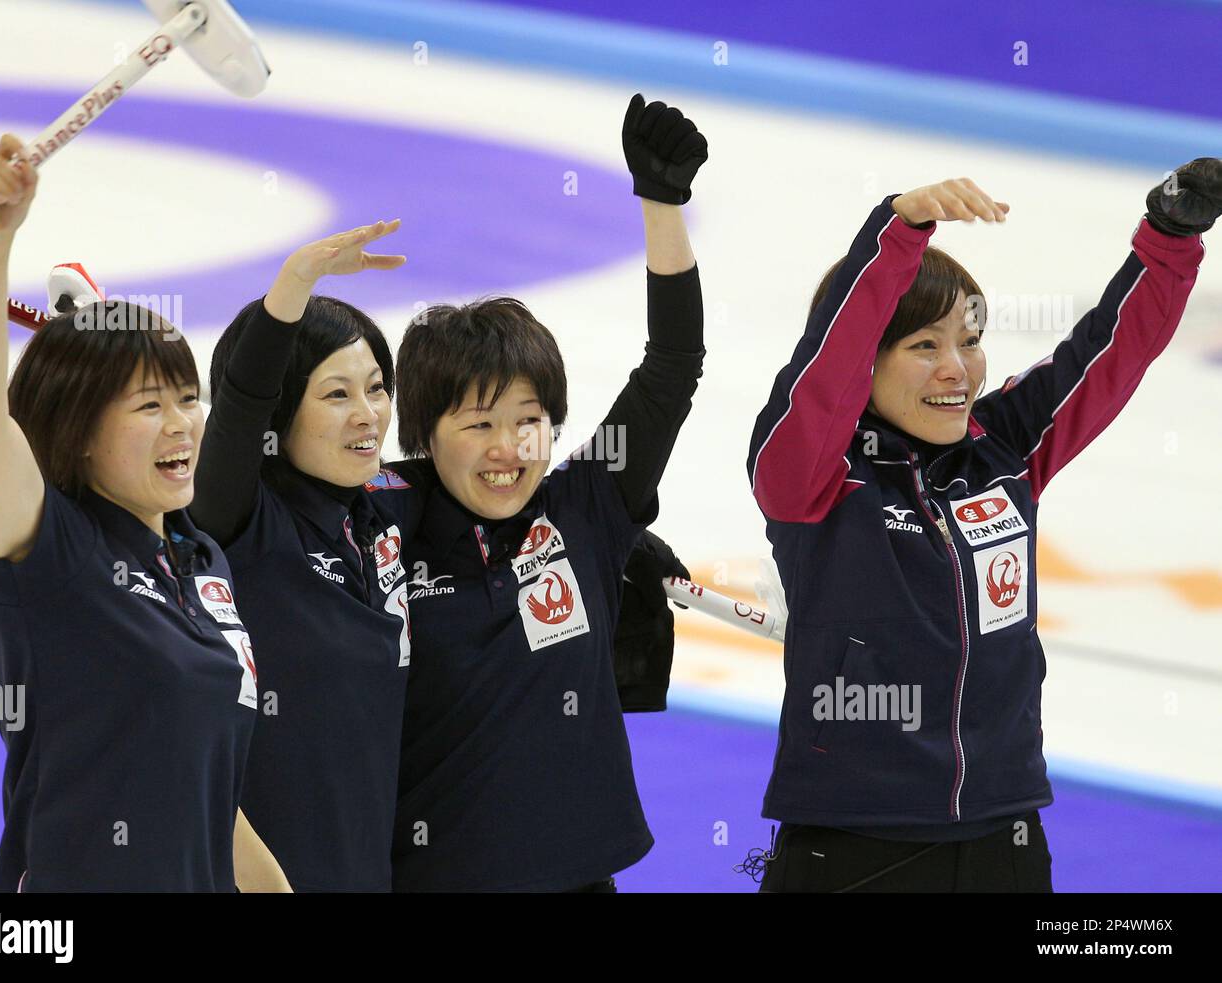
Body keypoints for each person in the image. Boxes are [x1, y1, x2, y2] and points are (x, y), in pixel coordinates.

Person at [745, 161, 1219, 892]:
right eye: (924, 346)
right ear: (865, 363)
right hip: (855, 846)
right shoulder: (811, 475)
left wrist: (1168, 239)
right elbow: (822, 368)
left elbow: (1110, 352)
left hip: (1008, 834)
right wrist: (897, 232)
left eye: (969, 341)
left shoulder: (1004, 446)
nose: (957, 370)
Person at [388, 94, 707, 892]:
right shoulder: (375, 527)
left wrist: (661, 204)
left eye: (529, 421)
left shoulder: (585, 509)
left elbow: (672, 365)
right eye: (479, 424)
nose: (509, 449)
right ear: (425, 432)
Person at [0, 135, 287, 891]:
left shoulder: (200, 559)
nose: (184, 425)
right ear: (79, 431)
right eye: (149, 406)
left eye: (187, 398)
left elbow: (207, 789)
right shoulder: (47, 553)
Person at [191, 221, 418, 892]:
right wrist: (294, 284)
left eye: (376, 387)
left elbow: (495, 479)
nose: (368, 414)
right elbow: (241, 406)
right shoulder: (237, 521)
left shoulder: (385, 512)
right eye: (337, 394)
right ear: (280, 413)